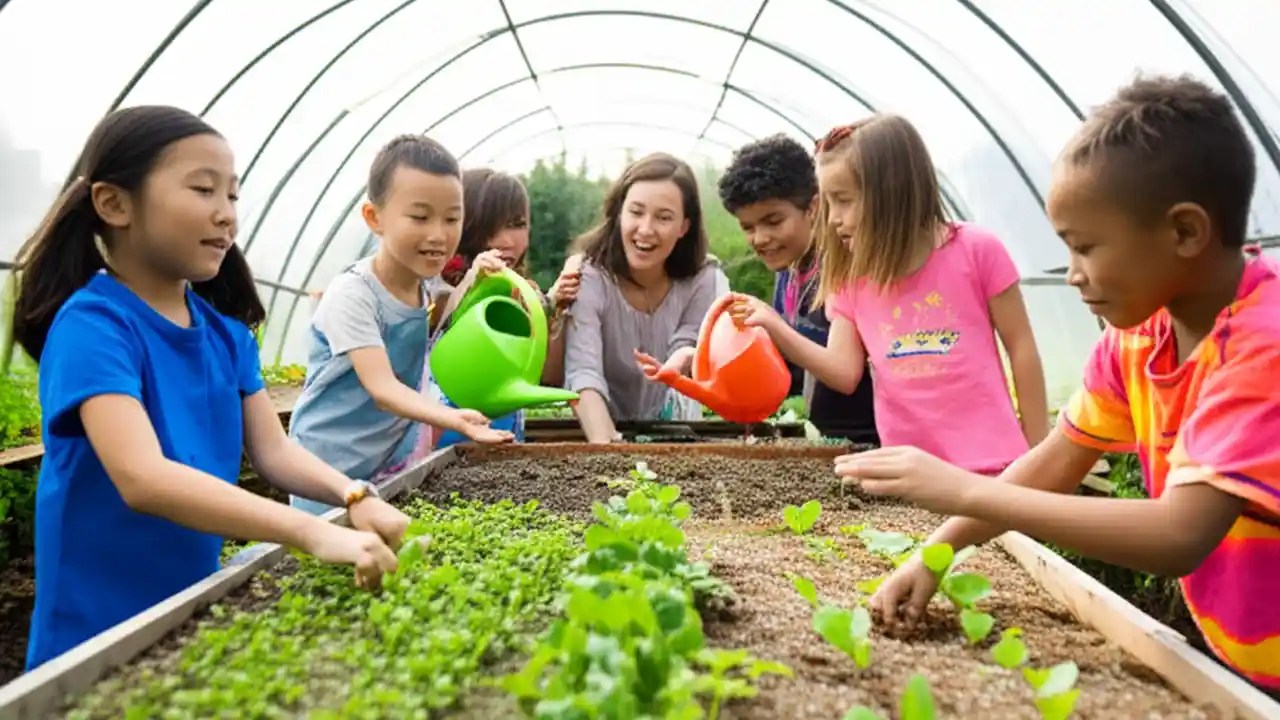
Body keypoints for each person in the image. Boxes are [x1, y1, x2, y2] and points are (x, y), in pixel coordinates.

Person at [851, 75, 1280, 693]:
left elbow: (1179, 536)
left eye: (1085, 248)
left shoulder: (1261, 345)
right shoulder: (1137, 336)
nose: (1073, 275)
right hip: (1240, 662)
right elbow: (1058, 460)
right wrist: (934, 554)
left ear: (1185, 232)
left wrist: (967, 492)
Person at [13, 106, 411, 670]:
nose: (226, 216)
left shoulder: (225, 336)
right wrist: (309, 533)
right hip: (91, 642)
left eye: (232, 196)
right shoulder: (94, 327)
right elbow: (142, 478)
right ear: (114, 204)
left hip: (187, 621)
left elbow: (273, 453)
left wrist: (355, 497)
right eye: (203, 190)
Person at [730, 115, 1048, 474]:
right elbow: (843, 372)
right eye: (829, 204)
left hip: (993, 467)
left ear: (889, 191)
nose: (832, 219)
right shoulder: (851, 279)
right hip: (905, 472)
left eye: (843, 201)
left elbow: (1021, 348)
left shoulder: (977, 250)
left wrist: (1038, 455)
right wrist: (774, 326)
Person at [287, 135, 512, 515]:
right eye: (420, 217)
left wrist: (474, 277)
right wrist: (454, 417)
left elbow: (442, 325)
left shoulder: (424, 286)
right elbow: (382, 388)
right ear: (375, 218)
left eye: (452, 218)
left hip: (386, 468)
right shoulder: (355, 295)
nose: (438, 234)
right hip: (326, 474)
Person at [717, 133, 879, 444]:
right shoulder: (789, 272)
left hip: (870, 442)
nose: (760, 238)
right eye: (748, 227)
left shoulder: (845, 269)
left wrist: (773, 324)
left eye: (774, 221)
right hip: (828, 442)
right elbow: (788, 363)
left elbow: (845, 375)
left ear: (813, 207)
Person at [562, 152, 728, 443]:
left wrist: (684, 359)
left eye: (664, 217)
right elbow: (583, 369)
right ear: (619, 214)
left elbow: (687, 345)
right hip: (600, 424)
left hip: (677, 432)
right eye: (636, 212)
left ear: (683, 227)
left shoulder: (704, 279)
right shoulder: (589, 276)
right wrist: (606, 448)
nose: (646, 229)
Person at [427, 168, 574, 446]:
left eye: (517, 224)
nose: (507, 241)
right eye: (492, 226)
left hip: (503, 428)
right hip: (441, 434)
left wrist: (554, 305)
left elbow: (546, 374)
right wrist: (472, 283)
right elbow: (436, 332)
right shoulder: (436, 282)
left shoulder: (523, 290)